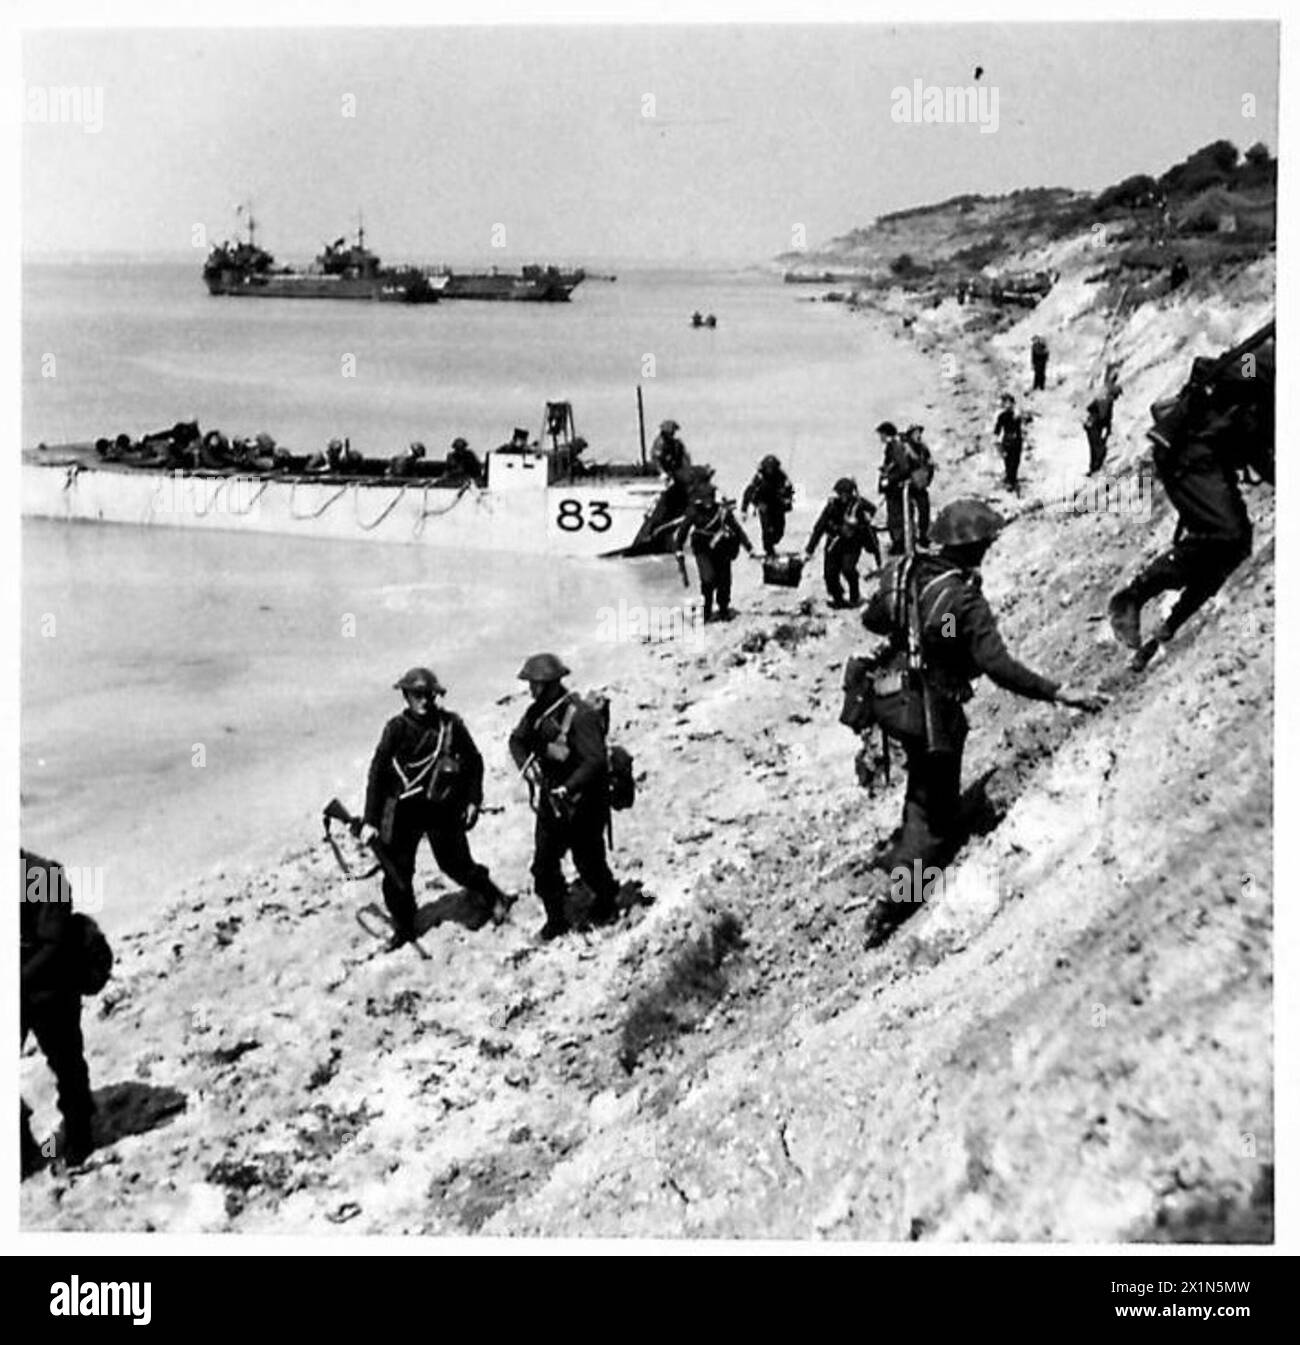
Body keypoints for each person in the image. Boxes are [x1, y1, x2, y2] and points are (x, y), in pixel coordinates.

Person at [859, 500, 1107, 946]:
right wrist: (1055, 691)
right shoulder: (962, 597)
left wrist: (932, 635)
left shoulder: (912, 571)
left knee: (921, 790)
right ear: (975, 546)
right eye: (987, 542)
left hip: (893, 698)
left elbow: (876, 619)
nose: (991, 547)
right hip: (933, 708)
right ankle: (897, 902)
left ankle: (901, 856)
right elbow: (995, 664)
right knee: (936, 821)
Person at [361, 668, 512, 951]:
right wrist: (370, 819)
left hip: (441, 807)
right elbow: (377, 774)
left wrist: (472, 800)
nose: (424, 701)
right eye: (416, 695)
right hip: (403, 810)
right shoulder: (395, 728)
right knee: (397, 875)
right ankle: (405, 926)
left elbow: (474, 762)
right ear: (405, 696)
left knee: (456, 864)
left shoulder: (450, 725)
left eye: (428, 695)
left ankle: (493, 897)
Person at [508, 654, 623, 941]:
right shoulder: (536, 714)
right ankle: (556, 920)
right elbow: (517, 740)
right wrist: (527, 766)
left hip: (584, 804)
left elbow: (594, 761)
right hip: (551, 802)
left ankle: (607, 899)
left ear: (551, 684)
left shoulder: (580, 715)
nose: (531, 690)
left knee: (589, 862)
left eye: (536, 684)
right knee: (544, 866)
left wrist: (568, 788)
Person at [21, 850, 96, 1175]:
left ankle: (80, 1135)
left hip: (50, 990)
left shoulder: (43, 875)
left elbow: (54, 943)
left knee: (67, 1064)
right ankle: (20, 1149)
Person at [674, 478, 755, 622]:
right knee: (708, 579)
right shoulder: (694, 512)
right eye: (705, 497)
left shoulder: (722, 511)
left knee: (724, 580)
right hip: (702, 550)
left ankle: (723, 609)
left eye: (710, 496)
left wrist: (749, 548)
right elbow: (682, 533)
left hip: (721, 549)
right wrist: (679, 551)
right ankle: (707, 611)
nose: (708, 500)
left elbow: (737, 529)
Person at [805, 477, 879, 608]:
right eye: (841, 493)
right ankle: (838, 598)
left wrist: (862, 521)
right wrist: (810, 549)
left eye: (847, 493)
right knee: (830, 574)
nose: (844, 496)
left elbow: (872, 511)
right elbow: (819, 527)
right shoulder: (832, 506)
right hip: (834, 543)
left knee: (848, 569)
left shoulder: (859, 505)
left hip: (853, 544)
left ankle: (854, 596)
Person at [741, 454, 795, 556]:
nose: (770, 470)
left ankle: (773, 540)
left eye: (772, 468)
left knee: (779, 530)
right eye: (768, 468)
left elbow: (789, 489)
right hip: (763, 503)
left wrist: (788, 500)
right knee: (767, 527)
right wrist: (744, 510)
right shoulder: (759, 477)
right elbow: (748, 492)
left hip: (776, 503)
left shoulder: (781, 476)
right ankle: (768, 548)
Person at [876, 421, 915, 553]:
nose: (880, 437)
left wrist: (889, 480)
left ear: (886, 434)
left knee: (896, 516)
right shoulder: (893, 446)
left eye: (881, 434)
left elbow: (904, 468)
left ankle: (899, 544)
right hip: (894, 488)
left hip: (896, 489)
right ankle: (900, 542)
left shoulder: (895, 447)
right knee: (896, 516)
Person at [901, 424, 934, 546]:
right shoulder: (905, 450)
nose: (918, 435)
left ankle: (923, 536)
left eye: (919, 432)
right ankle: (910, 539)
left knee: (924, 511)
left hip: (920, 486)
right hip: (908, 487)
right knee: (908, 515)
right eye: (915, 433)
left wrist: (927, 479)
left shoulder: (923, 449)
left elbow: (930, 465)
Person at [1083, 380, 1121, 476]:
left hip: (1092, 425)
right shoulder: (1106, 401)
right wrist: (1107, 428)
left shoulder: (1104, 399)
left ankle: (1094, 468)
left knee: (1095, 447)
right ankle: (1095, 469)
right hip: (1093, 426)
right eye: (1117, 395)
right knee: (1098, 447)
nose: (1117, 398)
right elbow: (1103, 416)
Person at [993, 394, 1026, 492]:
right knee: (1008, 462)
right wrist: (995, 440)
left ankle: (1012, 480)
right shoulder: (1002, 416)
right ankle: (1010, 481)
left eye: (1010, 403)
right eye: (1006, 403)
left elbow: (1022, 424)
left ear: (1013, 404)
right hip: (1007, 441)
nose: (1008, 405)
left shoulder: (1017, 415)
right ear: (1003, 405)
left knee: (1015, 461)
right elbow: (997, 429)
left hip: (1017, 441)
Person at [651, 419, 693, 484]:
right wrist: (662, 472)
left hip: (674, 470)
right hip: (663, 472)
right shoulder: (660, 443)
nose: (673, 434)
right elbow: (656, 460)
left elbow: (680, 456)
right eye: (672, 432)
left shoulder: (675, 443)